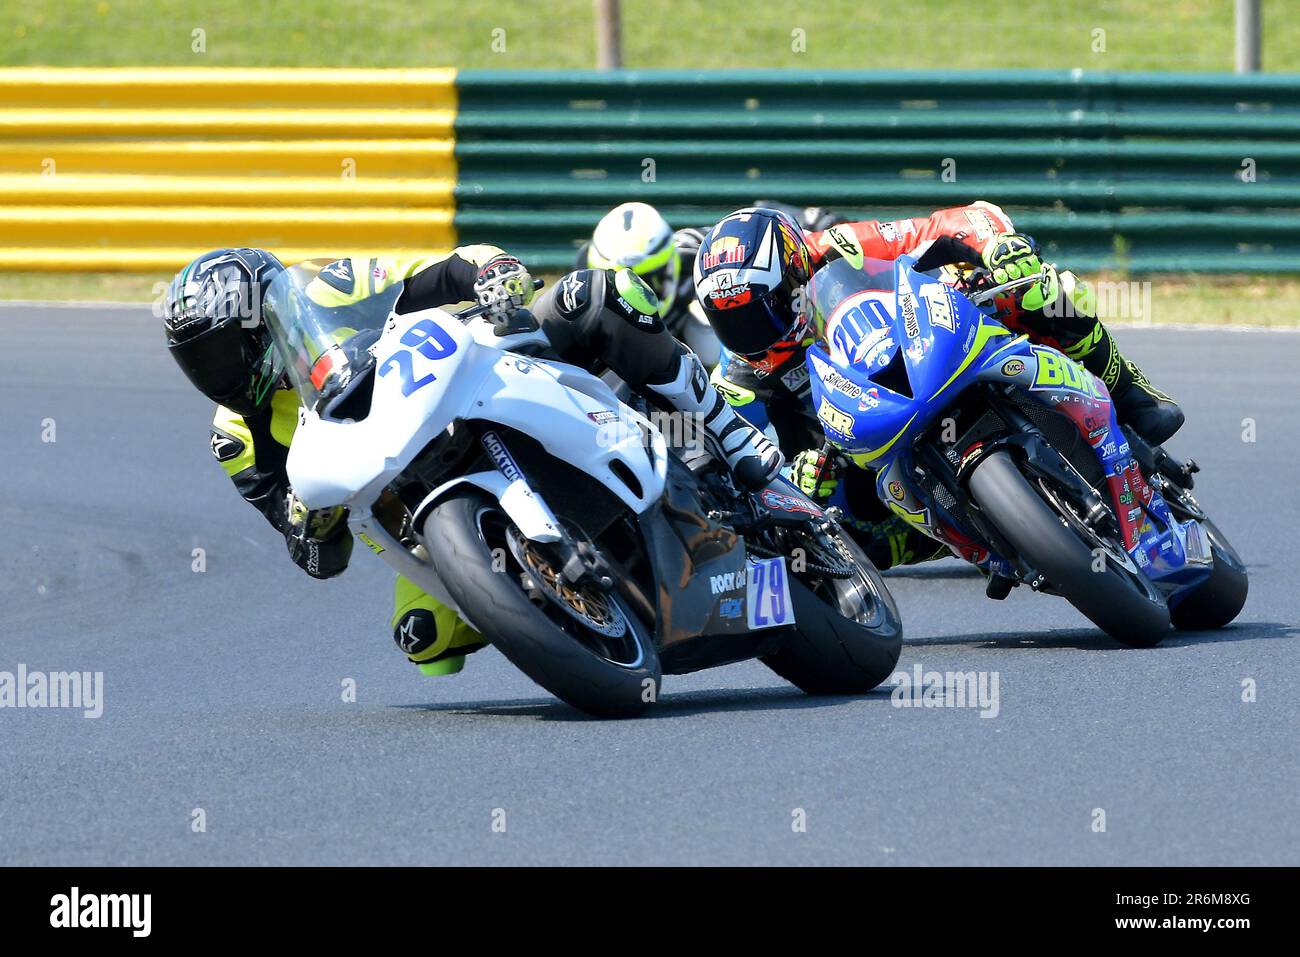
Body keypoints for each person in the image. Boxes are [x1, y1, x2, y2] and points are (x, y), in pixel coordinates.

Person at [164, 246, 780, 675]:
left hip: (476, 369)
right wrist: (309, 526)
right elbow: (320, 558)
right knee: (424, 643)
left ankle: (728, 431)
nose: (217, 378)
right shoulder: (236, 439)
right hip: (407, 500)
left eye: (223, 353)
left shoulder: (334, 286)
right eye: (199, 363)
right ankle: (559, 605)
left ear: (263, 321)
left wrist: (496, 272)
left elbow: (447, 269)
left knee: (598, 294)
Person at [693, 203, 1184, 567]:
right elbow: (732, 454)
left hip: (926, 343)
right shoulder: (737, 377)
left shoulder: (837, 246)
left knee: (1040, 291)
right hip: (866, 447)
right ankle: (975, 531)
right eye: (732, 323)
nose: (752, 335)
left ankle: (1131, 392)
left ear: (796, 272)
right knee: (827, 530)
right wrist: (790, 485)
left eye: (763, 310)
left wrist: (995, 248)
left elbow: (952, 222)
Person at [577, 201, 718, 365]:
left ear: (670, 266)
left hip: (685, 353)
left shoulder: (699, 250)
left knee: (708, 340)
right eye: (614, 283)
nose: (634, 295)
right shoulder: (582, 281)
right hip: (626, 362)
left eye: (646, 279)